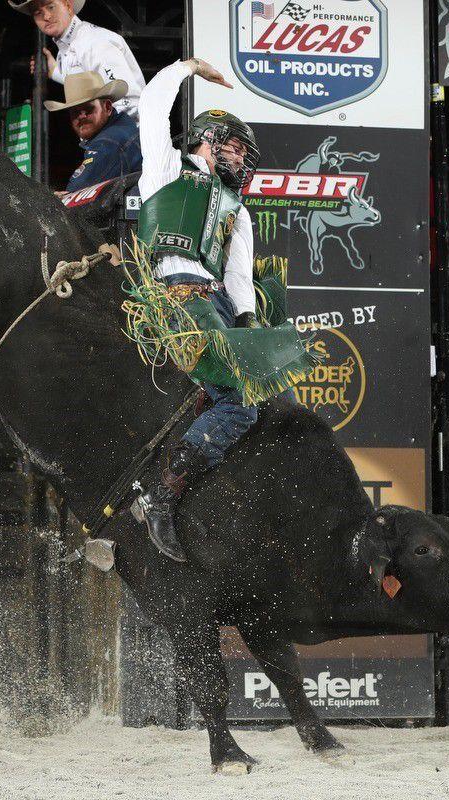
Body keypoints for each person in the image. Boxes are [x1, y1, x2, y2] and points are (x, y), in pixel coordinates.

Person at [132, 58, 266, 563]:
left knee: (257, 397)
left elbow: (239, 276)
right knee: (240, 404)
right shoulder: (166, 169)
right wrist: (184, 68)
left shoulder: (239, 209)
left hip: (219, 305)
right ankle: (162, 495)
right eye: (232, 147)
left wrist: (250, 329)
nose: (239, 159)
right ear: (205, 142)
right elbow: (150, 107)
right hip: (178, 294)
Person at [13, 0, 145, 119]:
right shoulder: (68, 49)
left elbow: (129, 103)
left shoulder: (93, 42)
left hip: (128, 140)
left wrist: (107, 142)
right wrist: (54, 72)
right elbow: (89, 83)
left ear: (68, 6)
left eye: (51, 7)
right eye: (38, 13)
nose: (46, 16)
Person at [44, 70, 141, 192]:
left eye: (88, 109)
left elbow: (72, 198)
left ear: (108, 107)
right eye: (75, 112)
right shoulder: (121, 128)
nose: (82, 116)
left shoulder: (109, 143)